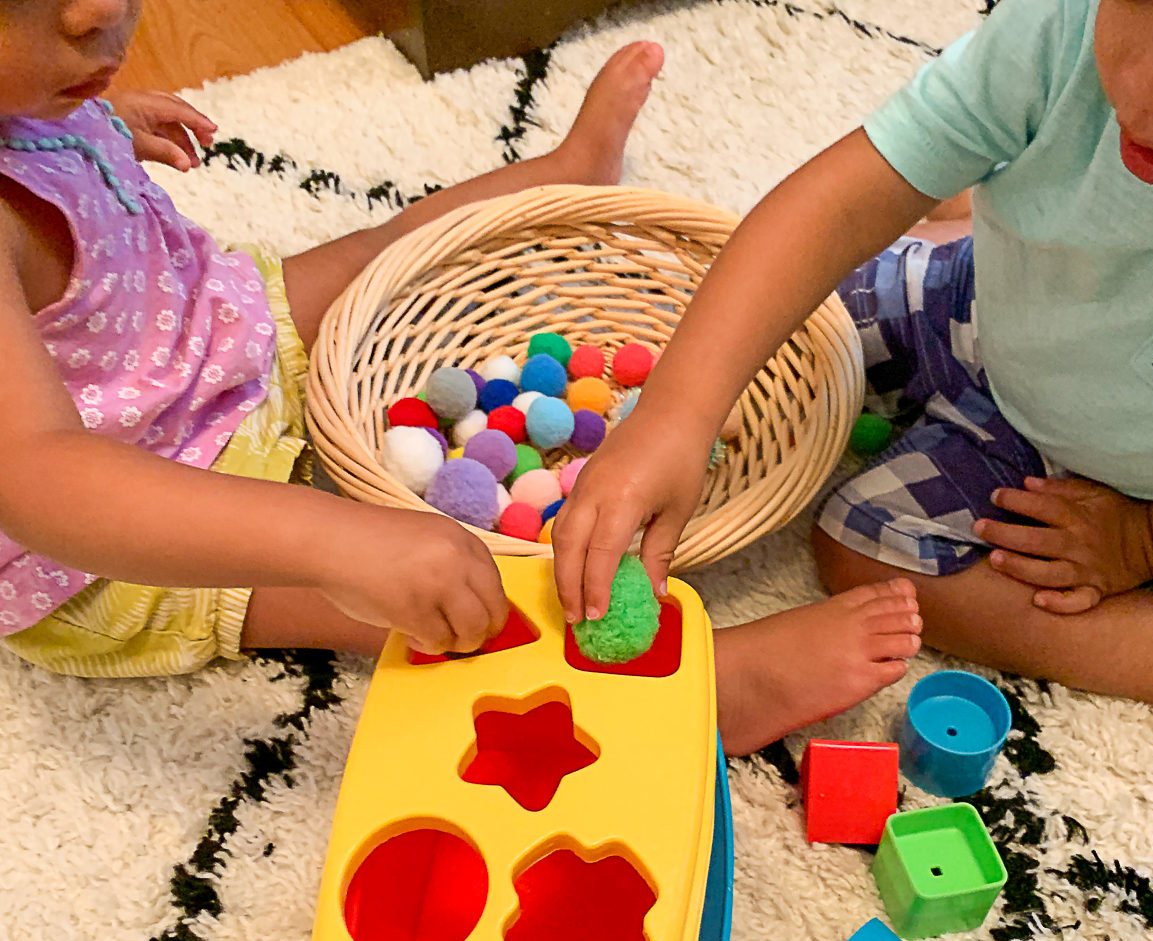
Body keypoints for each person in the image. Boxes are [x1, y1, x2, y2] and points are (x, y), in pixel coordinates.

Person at [553, 0, 1153, 754]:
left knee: (862, 545)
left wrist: (1150, 544)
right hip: (986, 306)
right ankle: (961, 207)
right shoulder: (1062, 32)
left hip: (1138, 482)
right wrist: (676, 412)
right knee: (799, 315)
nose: (1150, 87)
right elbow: (844, 201)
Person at [0, 0, 668, 675]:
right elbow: (36, 475)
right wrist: (332, 542)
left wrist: (99, 127)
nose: (100, 9)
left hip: (198, 334)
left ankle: (565, 169)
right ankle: (684, 675)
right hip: (108, 542)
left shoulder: (28, 95)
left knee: (380, 250)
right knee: (450, 613)